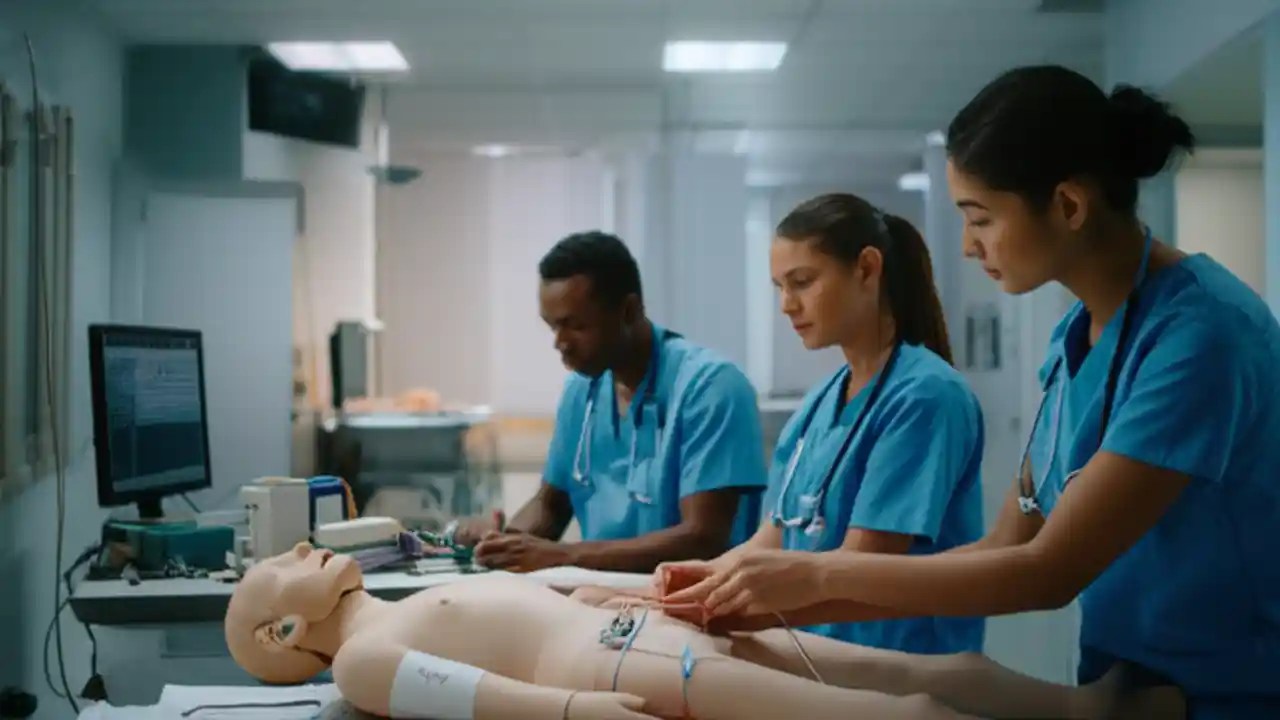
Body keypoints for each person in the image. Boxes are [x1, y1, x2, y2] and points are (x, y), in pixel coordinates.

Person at [659, 65, 1280, 719]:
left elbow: (1047, 571)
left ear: (1068, 206)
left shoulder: (1203, 338)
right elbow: (1006, 543)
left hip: (1233, 694)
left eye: (980, 217)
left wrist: (808, 576)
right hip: (1129, 684)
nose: (966, 244)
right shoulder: (1076, 341)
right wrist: (745, 596)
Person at [223, 543, 1180, 720]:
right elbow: (476, 701)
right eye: (285, 566)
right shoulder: (357, 659)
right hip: (630, 671)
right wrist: (571, 715)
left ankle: (1084, 709)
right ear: (278, 633)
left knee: (917, 669)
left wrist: (687, 584)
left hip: (654, 623)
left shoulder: (409, 599)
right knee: (904, 714)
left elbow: (561, 580)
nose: (304, 547)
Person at [641, 194, 986, 657]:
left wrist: (725, 607)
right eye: (779, 287)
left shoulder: (925, 397)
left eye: (802, 282)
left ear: (866, 269)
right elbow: (772, 539)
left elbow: (866, 566)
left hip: (900, 670)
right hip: (820, 656)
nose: (786, 305)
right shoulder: (820, 404)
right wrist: (692, 583)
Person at [453, 231, 769, 574]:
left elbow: (704, 538)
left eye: (575, 326)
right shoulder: (582, 390)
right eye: (552, 327)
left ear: (629, 311)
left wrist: (565, 556)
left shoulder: (711, 387)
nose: (560, 343)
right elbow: (551, 504)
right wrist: (506, 543)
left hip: (693, 600)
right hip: (602, 598)